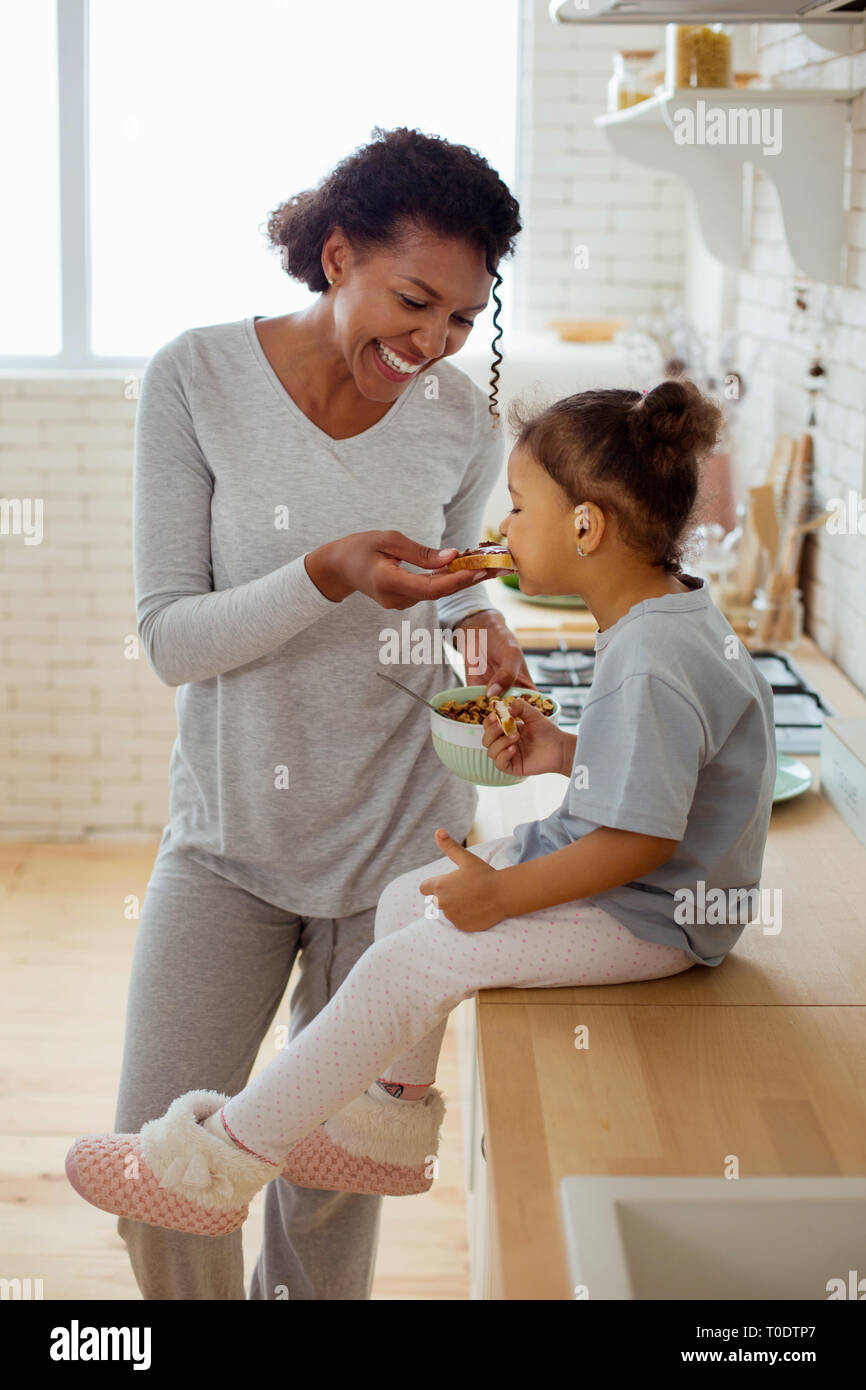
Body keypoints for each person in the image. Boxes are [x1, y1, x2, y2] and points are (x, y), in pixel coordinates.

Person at [66, 376, 778, 1242]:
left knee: (411, 964)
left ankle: (218, 1163)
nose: (500, 532)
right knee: (413, 900)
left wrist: (507, 897)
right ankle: (385, 1133)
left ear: (586, 526)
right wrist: (564, 753)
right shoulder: (668, 617)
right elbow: (672, 768)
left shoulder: (651, 655)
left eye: (517, 508)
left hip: (656, 916)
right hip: (646, 887)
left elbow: (637, 838)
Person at [88, 126, 533, 1299]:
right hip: (231, 836)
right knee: (164, 1165)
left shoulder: (460, 422)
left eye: (458, 319)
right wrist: (322, 573)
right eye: (413, 299)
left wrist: (480, 632)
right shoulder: (197, 378)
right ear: (337, 256)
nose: (432, 342)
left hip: (398, 842)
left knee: (332, 1179)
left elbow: (451, 594)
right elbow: (171, 639)